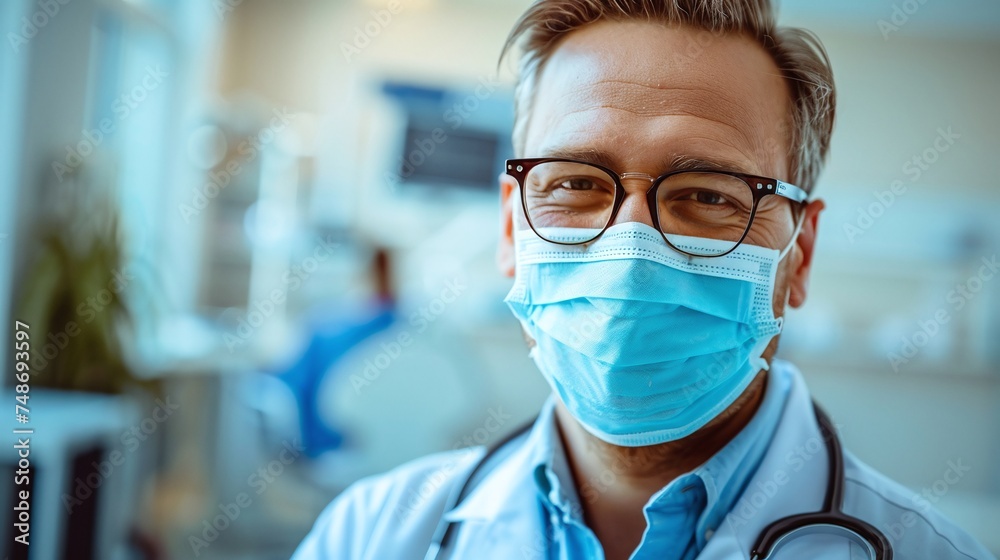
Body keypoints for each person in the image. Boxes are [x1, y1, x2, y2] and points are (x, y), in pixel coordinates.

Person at [292, 1, 996, 558]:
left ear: (799, 254)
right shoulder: (369, 535)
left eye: (710, 194)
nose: (631, 249)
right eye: (573, 183)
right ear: (512, 231)